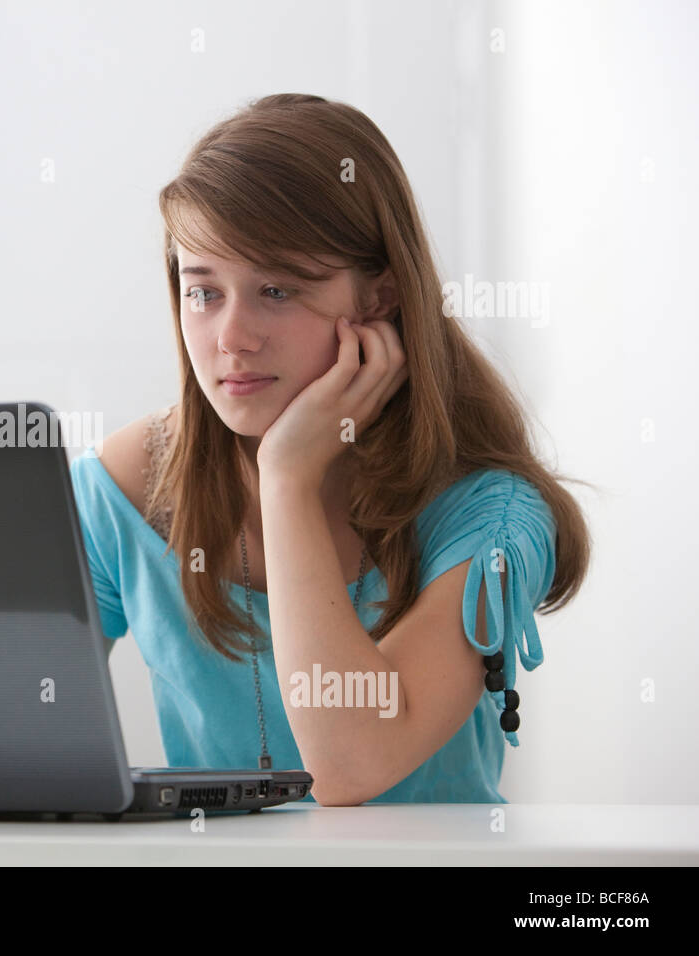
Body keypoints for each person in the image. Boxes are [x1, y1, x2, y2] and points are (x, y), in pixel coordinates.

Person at [69, 93, 591, 805]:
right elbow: (11, 745)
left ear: (377, 299)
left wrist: (286, 479)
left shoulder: (490, 515)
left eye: (276, 289)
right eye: (203, 292)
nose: (230, 338)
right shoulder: (124, 488)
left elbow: (350, 766)